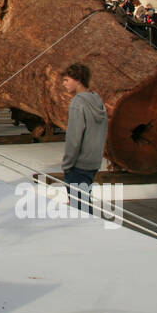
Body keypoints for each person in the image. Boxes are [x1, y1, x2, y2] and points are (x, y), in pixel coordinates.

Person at [60, 63, 106, 213]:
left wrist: (67, 164)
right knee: (85, 204)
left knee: (80, 209)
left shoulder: (78, 103)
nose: (64, 84)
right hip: (94, 162)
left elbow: (74, 138)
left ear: (78, 80)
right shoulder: (98, 102)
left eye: (67, 80)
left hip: (78, 164)